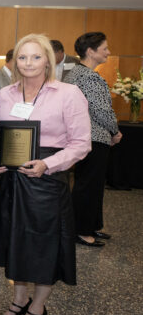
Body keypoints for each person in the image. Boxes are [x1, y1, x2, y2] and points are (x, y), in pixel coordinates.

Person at [0, 34, 91, 315]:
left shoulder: (68, 93)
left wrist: (49, 164)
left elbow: (81, 144)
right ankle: (19, 300)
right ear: (14, 61)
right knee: (15, 241)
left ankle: (37, 309)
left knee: (43, 246)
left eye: (35, 57)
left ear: (49, 59)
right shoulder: (6, 94)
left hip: (47, 179)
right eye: (22, 57)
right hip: (11, 179)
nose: (28, 63)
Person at [64, 32, 121, 247]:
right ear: (91, 51)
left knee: (90, 184)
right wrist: (115, 131)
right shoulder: (90, 77)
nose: (108, 52)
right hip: (94, 138)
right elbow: (101, 111)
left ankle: (92, 225)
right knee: (89, 186)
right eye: (104, 48)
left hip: (83, 137)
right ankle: (82, 230)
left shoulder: (75, 73)